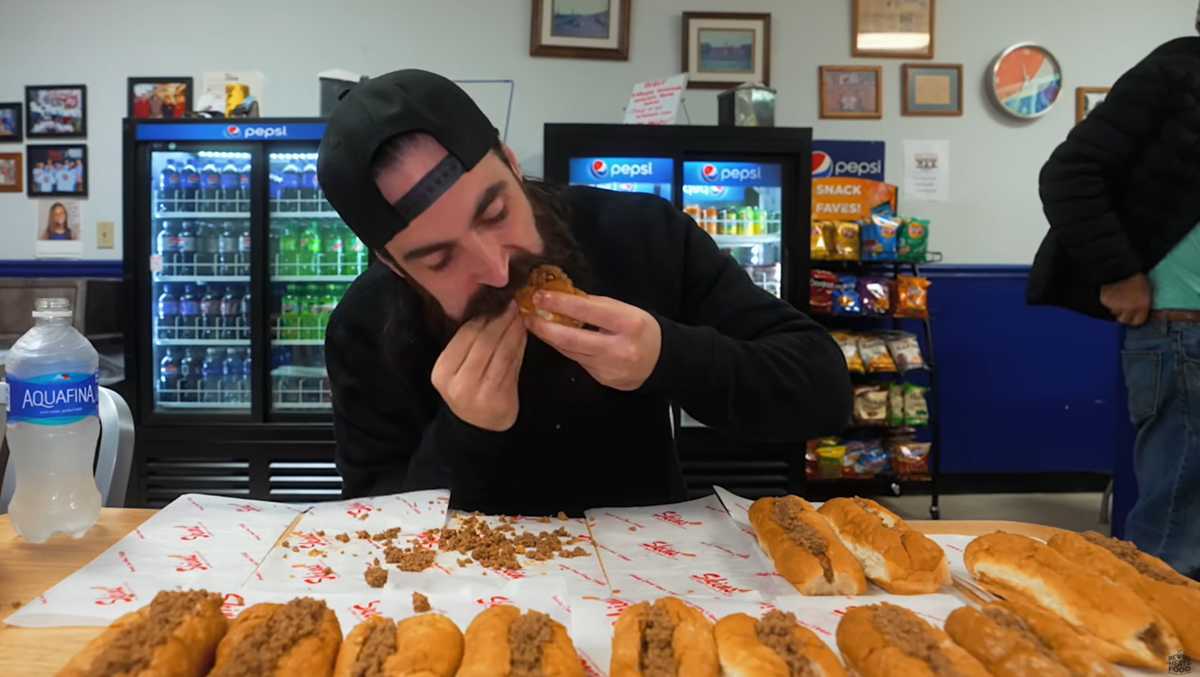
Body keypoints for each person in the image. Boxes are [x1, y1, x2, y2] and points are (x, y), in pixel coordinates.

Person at [318, 70, 852, 515]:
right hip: (469, 604)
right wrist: (464, 435)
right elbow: (371, 523)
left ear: (511, 164)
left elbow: (821, 389)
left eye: (496, 213)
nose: (497, 270)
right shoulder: (363, 325)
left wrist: (668, 356)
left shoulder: (640, 233)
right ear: (393, 264)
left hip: (655, 586)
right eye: (440, 258)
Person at [1030, 10, 1200, 578]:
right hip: (1182, 330)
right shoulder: (1179, 70)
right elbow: (1069, 174)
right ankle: (1168, 667)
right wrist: (1120, 272)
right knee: (1177, 532)